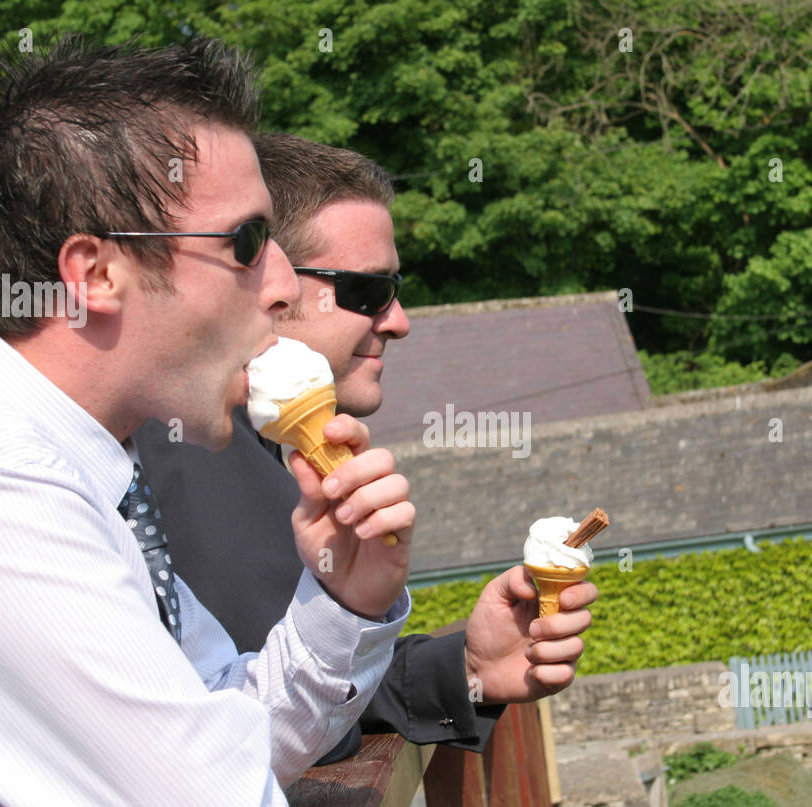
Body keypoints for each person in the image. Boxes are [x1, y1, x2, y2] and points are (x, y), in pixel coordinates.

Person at [0, 37, 415, 807]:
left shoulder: (71, 463)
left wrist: (344, 604)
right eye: (247, 244)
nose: (284, 287)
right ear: (94, 273)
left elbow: (226, 722)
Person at [136, 133, 597, 761]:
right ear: (267, 280)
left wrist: (469, 668)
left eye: (395, 288)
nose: (398, 319)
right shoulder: (181, 447)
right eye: (367, 291)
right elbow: (258, 721)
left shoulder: (263, 442)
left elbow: (295, 681)